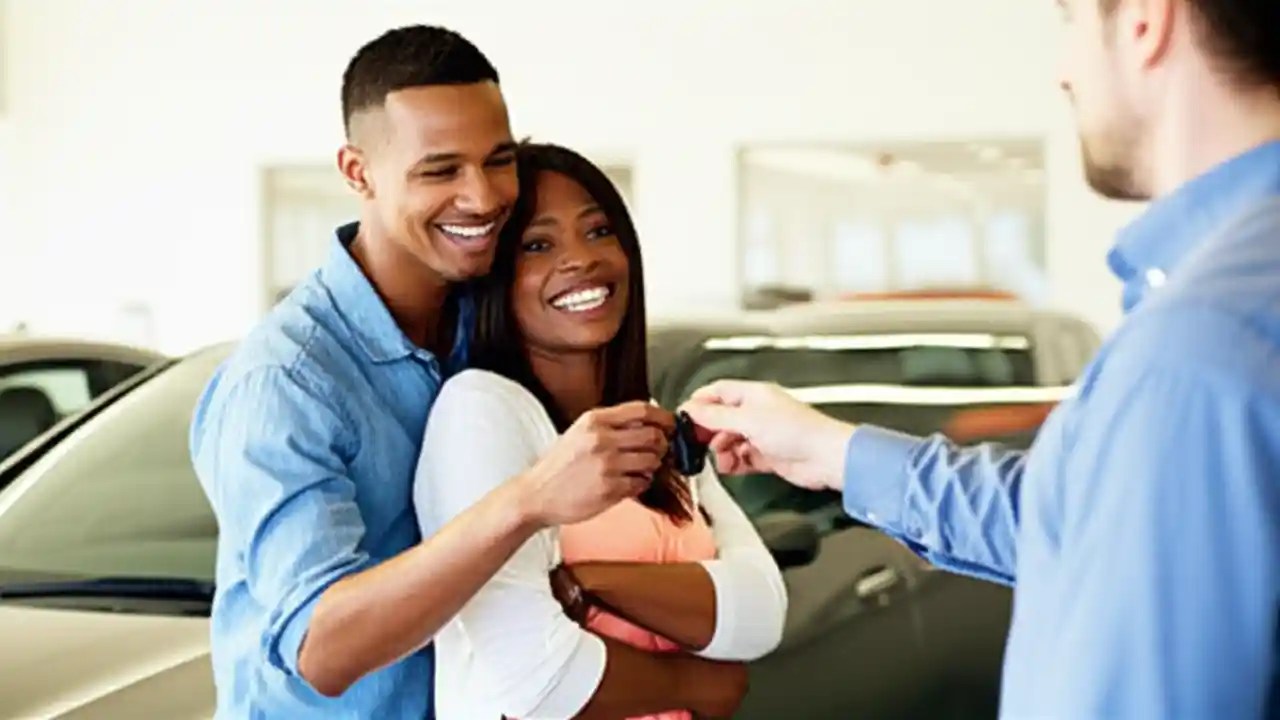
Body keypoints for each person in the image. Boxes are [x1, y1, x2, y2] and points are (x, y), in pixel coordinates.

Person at [683, 0, 1280, 717]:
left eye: (1073, 24)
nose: (1064, 72)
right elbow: (1083, 522)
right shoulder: (1237, 300)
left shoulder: (1194, 355)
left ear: (1147, 20)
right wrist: (832, 452)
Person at [189, 27, 672, 718]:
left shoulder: (491, 317)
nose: (481, 198)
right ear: (358, 173)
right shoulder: (283, 382)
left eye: (497, 160)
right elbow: (323, 650)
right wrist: (526, 501)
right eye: (440, 171)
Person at [414, 142, 788, 719]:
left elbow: (760, 614)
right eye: (538, 245)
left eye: (598, 231)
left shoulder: (650, 424)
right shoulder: (480, 411)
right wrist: (694, 685)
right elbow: (536, 685)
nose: (580, 259)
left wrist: (586, 582)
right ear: (495, 280)